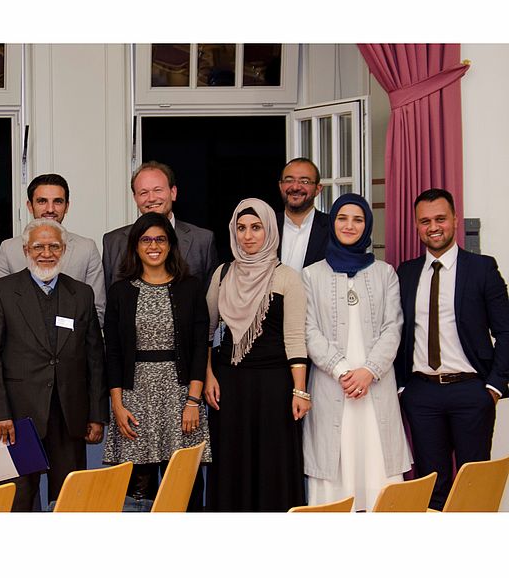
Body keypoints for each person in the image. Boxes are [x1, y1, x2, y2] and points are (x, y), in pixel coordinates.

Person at [0, 218, 108, 511]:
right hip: (16, 420)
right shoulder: (0, 292)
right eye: (38, 246)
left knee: (69, 501)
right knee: (18, 498)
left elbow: (95, 359)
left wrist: (97, 415)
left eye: (53, 246)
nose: (45, 253)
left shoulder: (82, 294)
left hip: (69, 417)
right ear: (26, 250)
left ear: (63, 251)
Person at [395, 188, 509, 510]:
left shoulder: (482, 268)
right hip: (422, 395)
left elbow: (505, 330)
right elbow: (396, 332)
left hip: (472, 392)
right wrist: (404, 387)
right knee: (433, 486)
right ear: (417, 226)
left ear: (455, 220)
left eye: (441, 218)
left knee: (473, 484)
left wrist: (494, 387)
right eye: (425, 221)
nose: (434, 226)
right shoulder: (405, 273)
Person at [302, 193, 412, 511]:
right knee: (334, 473)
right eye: (342, 218)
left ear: (367, 226)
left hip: (374, 387)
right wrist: (342, 371)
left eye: (358, 219)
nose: (350, 225)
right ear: (332, 222)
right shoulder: (311, 275)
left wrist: (367, 372)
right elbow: (308, 331)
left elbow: (394, 327)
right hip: (331, 385)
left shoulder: (385, 273)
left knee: (378, 471)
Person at [204, 198, 310, 512]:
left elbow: (294, 339)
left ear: (270, 231)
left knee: (272, 463)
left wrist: (300, 391)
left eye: (256, 227)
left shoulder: (286, 277)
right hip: (229, 387)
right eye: (241, 228)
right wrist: (208, 374)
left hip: (273, 387)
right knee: (231, 461)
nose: (248, 235)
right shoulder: (222, 274)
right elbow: (206, 332)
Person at [103, 212, 211, 511]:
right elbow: (112, 351)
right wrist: (117, 404)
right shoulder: (120, 291)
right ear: (135, 246)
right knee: (139, 490)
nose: (154, 245)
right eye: (146, 239)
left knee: (184, 487)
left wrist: (193, 400)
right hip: (134, 397)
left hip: (180, 398)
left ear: (170, 244)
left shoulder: (189, 288)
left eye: (160, 239)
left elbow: (201, 345)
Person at [0, 173, 106, 324]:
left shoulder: (86, 248)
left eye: (58, 202)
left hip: (72, 344)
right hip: (21, 345)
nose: (50, 209)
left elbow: (96, 311)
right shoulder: (8, 249)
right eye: (42, 201)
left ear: (67, 206)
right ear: (29, 206)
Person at [102, 161, 218, 292]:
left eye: (157, 190)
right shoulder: (113, 241)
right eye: (143, 193)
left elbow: (210, 300)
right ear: (135, 198)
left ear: (173, 192)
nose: (151, 198)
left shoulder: (202, 240)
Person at [276, 157, 329, 271]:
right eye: (289, 180)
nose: (295, 187)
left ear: (318, 189)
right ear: (280, 186)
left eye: (304, 181)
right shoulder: (266, 226)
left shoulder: (333, 228)